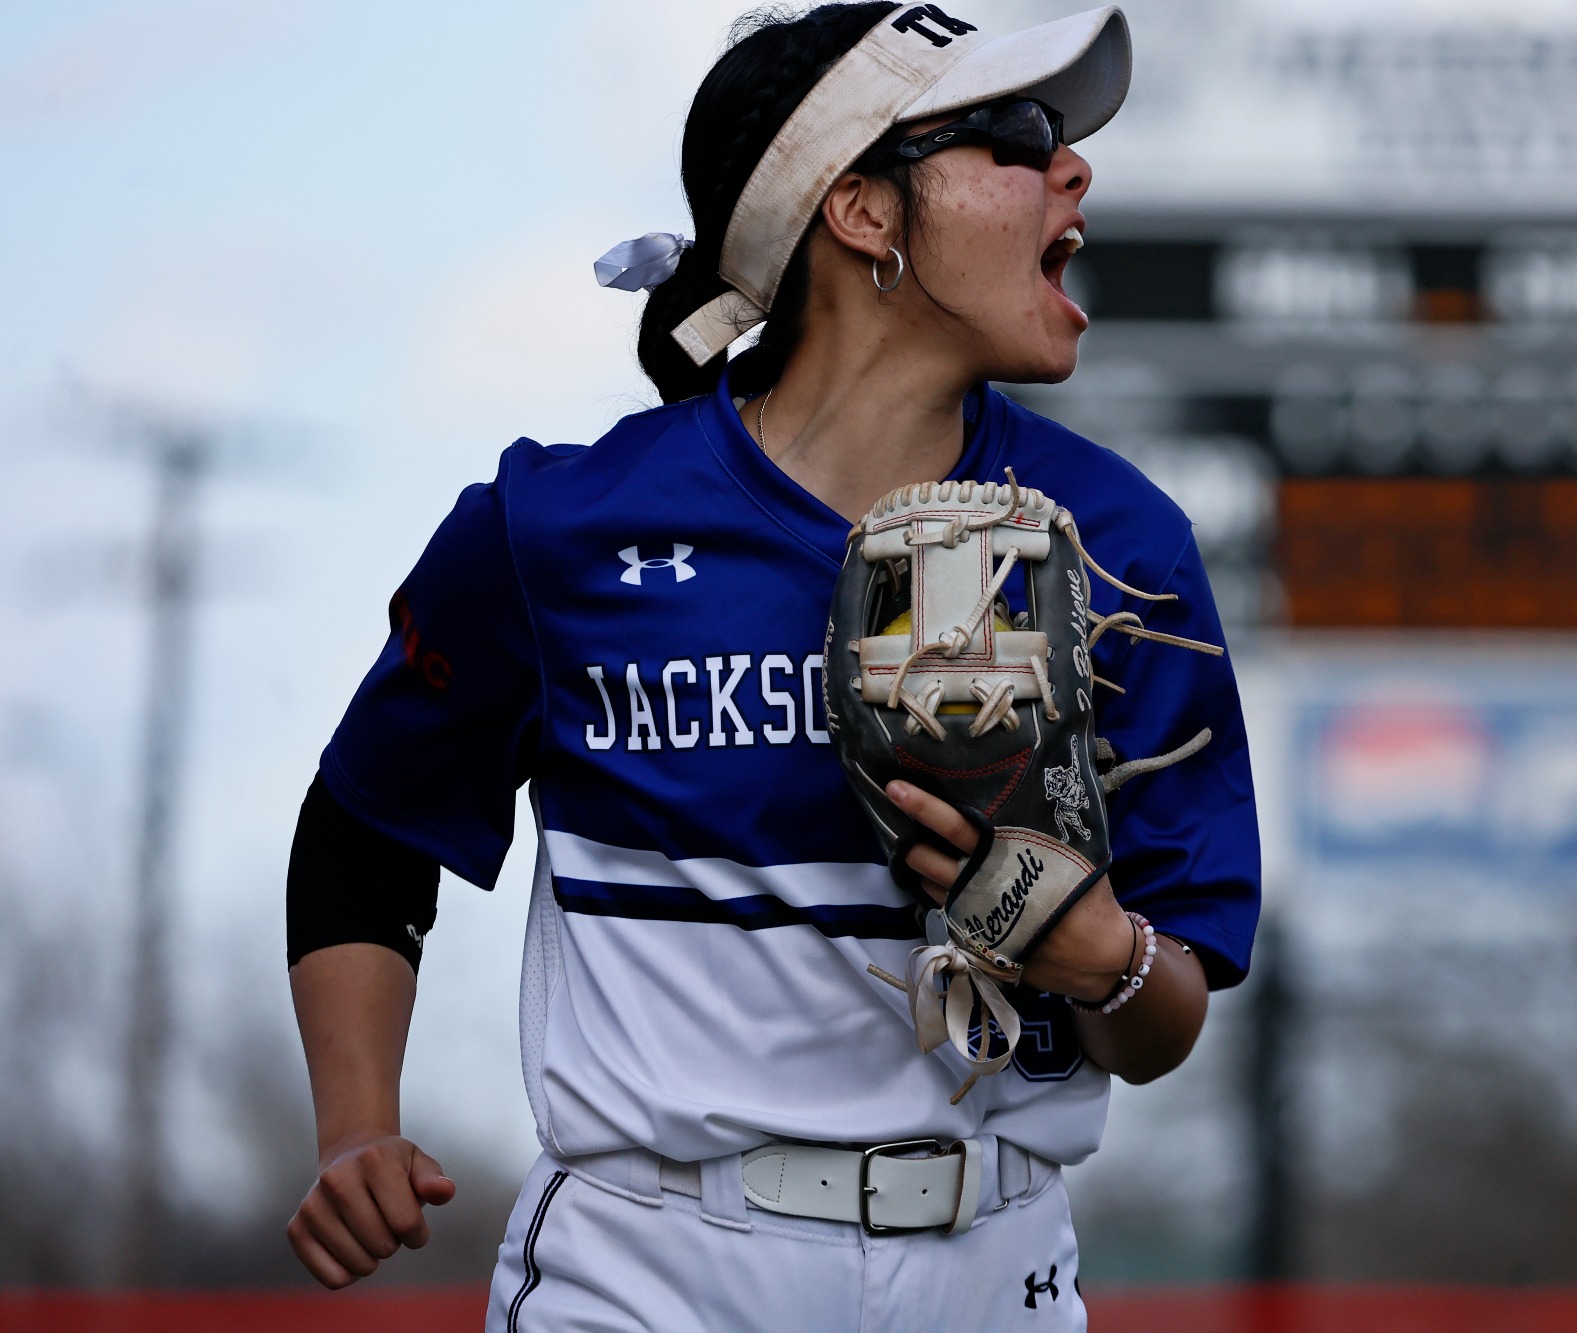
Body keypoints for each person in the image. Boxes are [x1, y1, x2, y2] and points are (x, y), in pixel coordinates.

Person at [282, 4, 1260, 1328]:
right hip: (652, 1269)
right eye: (1022, 137)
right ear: (862, 210)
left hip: (994, 1264)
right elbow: (366, 823)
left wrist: (1099, 954)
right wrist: (354, 1125)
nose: (1075, 171)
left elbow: (1164, 1018)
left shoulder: (1127, 550)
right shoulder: (564, 527)